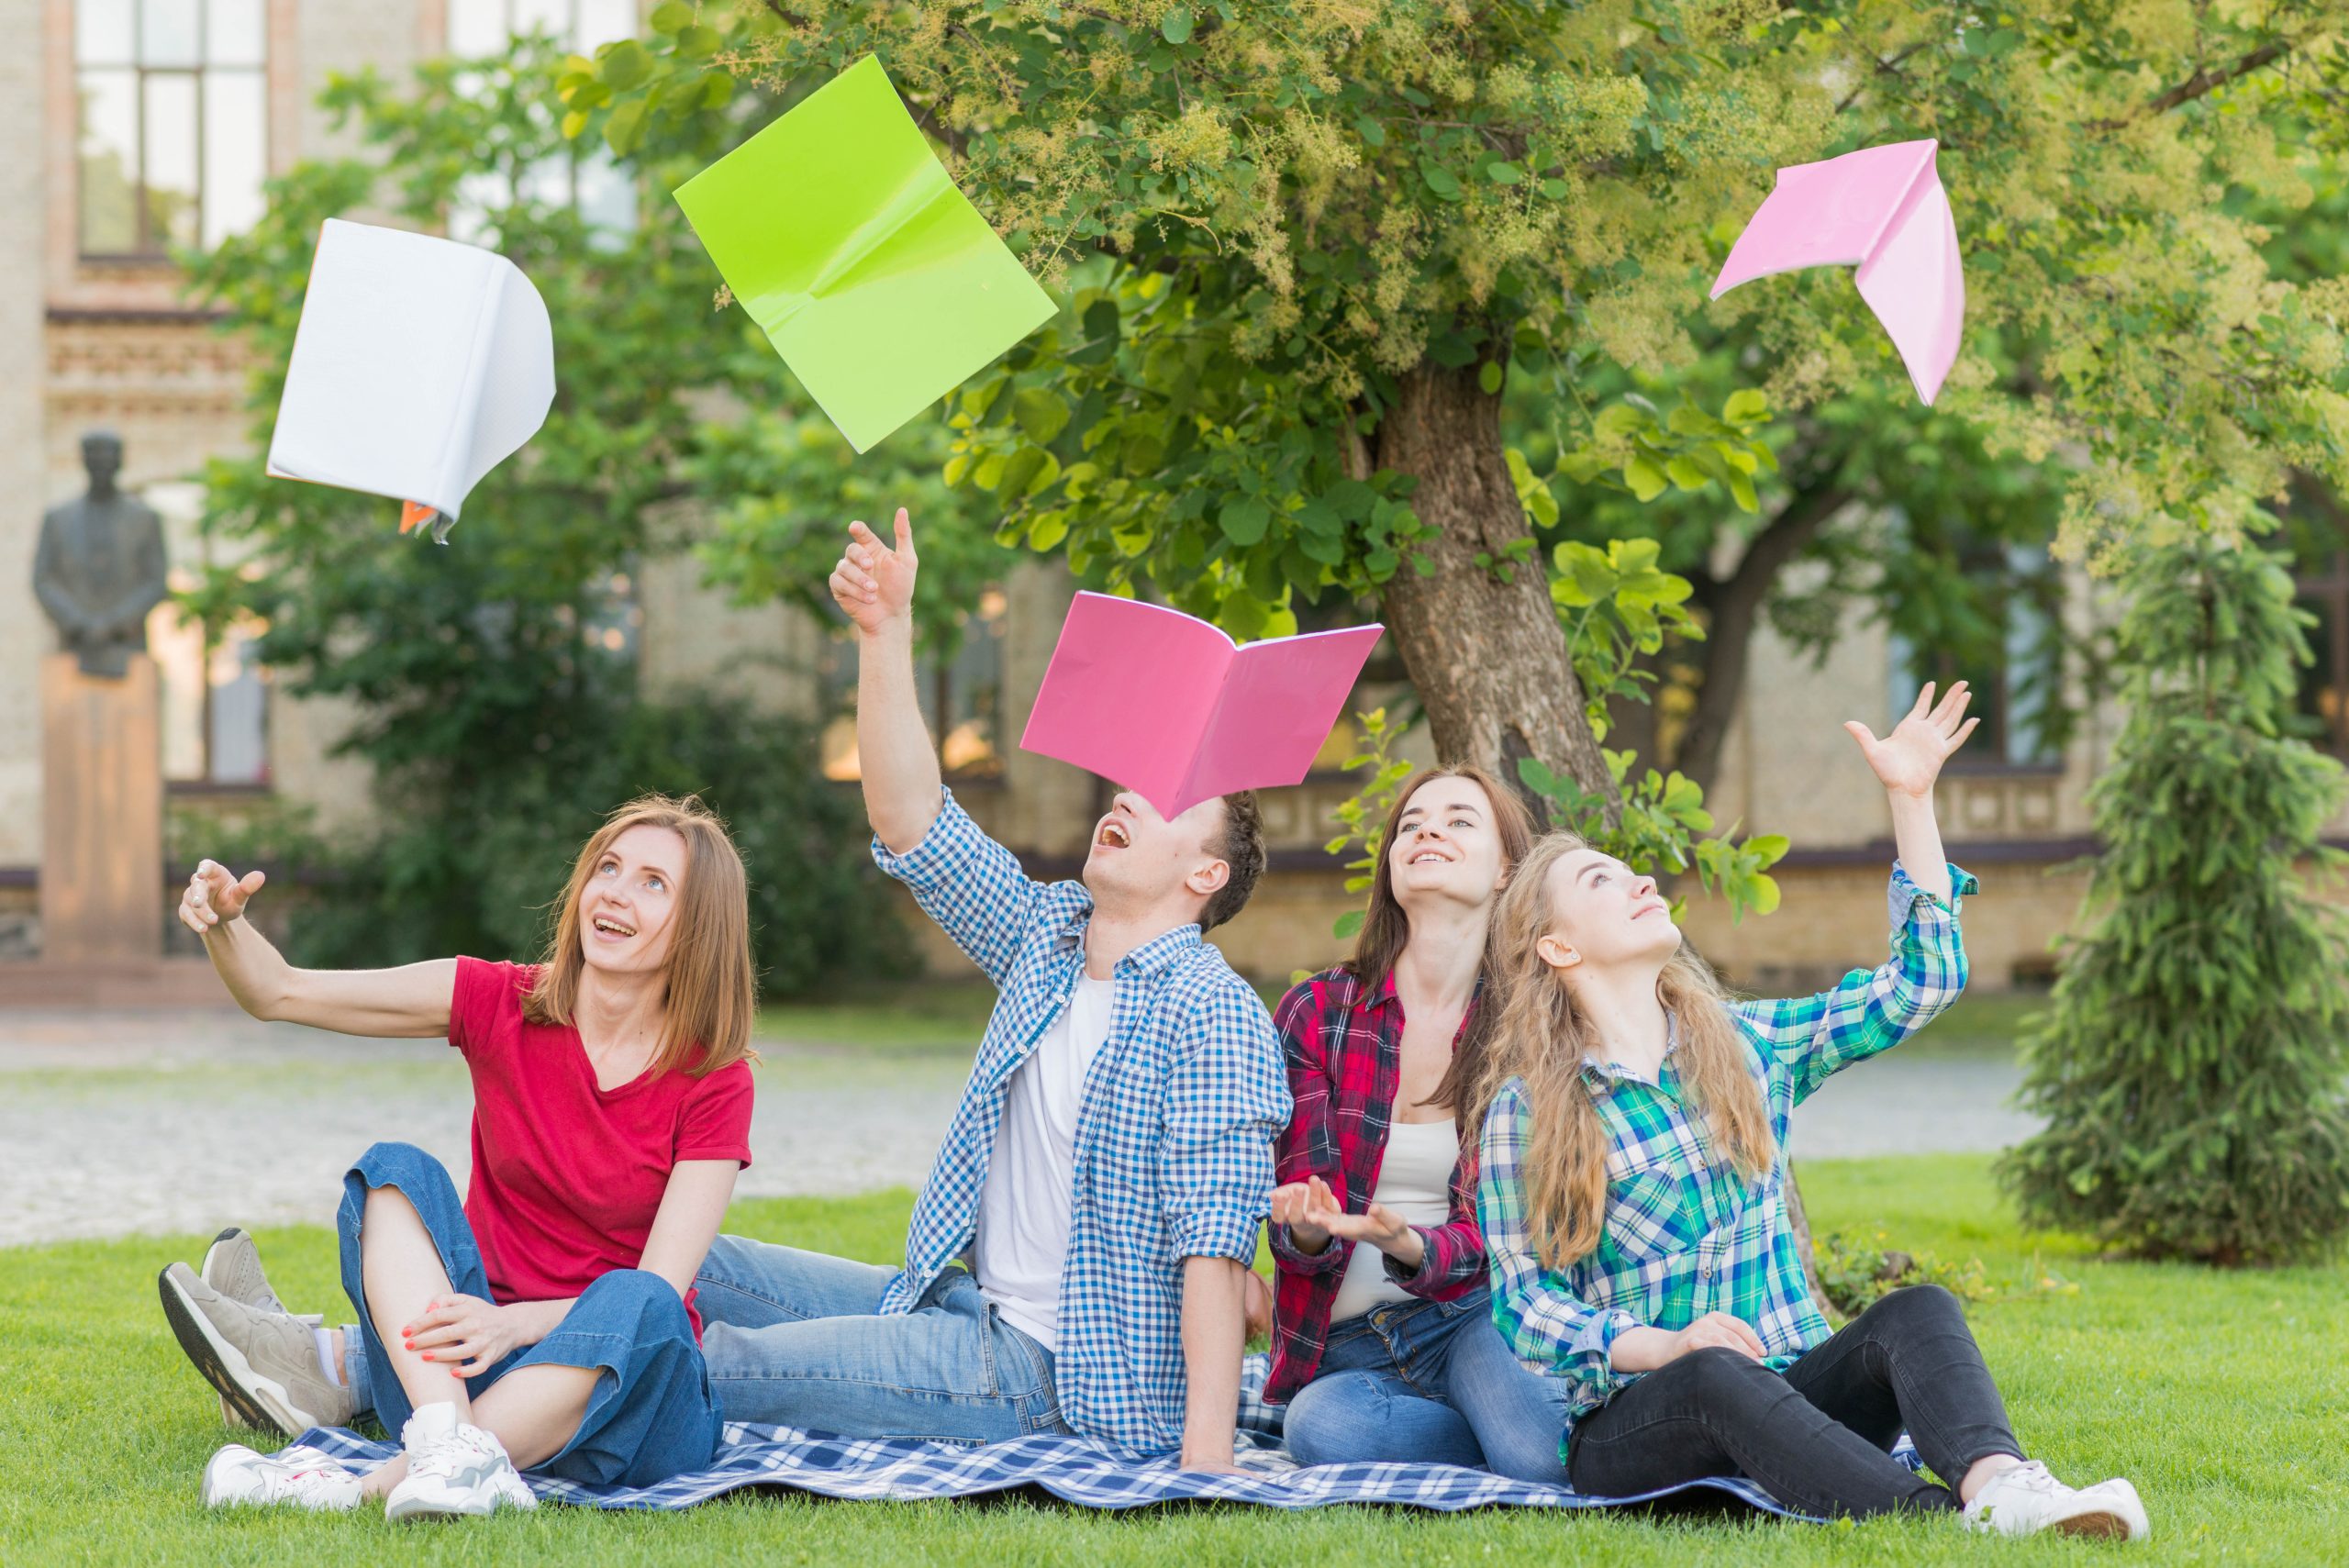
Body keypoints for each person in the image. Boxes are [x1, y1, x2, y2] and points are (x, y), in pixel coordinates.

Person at [683, 509, 1288, 1469]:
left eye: (1168, 802)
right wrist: (886, 632)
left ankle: (419, 1372)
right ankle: (472, 1326)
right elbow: (914, 817)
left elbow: (1215, 1246)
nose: (1126, 797)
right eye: (1134, 784)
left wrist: (1205, 1456)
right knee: (680, 1261)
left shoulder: (1214, 1013)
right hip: (957, 1301)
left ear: (1206, 875)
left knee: (716, 1360)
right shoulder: (1046, 937)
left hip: (1048, 1371)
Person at [1473, 683, 2150, 1539]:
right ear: (1558, 945)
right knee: (1717, 1368)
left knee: (1918, 1309)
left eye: (1630, 869)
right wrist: (1663, 1344)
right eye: (1602, 881)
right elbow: (1525, 1305)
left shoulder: (1744, 1046)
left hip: (1790, 1391)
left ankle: (2002, 1486)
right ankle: (1931, 1522)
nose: (1641, 879)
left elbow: (1920, 985)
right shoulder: (1528, 1108)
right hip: (1643, 1418)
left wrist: (1912, 800)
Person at [159, 795, 757, 1520]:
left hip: (628, 1393)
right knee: (392, 1172)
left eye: (653, 882)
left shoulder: (714, 1078)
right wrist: (227, 924)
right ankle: (448, 1446)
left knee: (644, 1299)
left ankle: (357, 1486)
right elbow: (280, 989)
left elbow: (663, 1285)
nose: (614, 892)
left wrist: (516, 1324)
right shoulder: (501, 1000)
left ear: (699, 927)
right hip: (465, 1365)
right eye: (608, 867)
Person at [1264, 764, 1577, 1481]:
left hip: (1470, 1317)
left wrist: (1410, 1244)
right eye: (1411, 823)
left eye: (1459, 819)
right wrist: (1309, 1224)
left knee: (1537, 1457)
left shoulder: (1533, 1029)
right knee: (1318, 1428)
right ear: (1392, 866)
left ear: (1506, 869)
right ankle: (1483, 1428)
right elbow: (1299, 1229)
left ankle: (1507, 1420)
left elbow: (1511, 1232)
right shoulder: (1318, 1012)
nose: (1427, 829)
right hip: (1345, 1344)